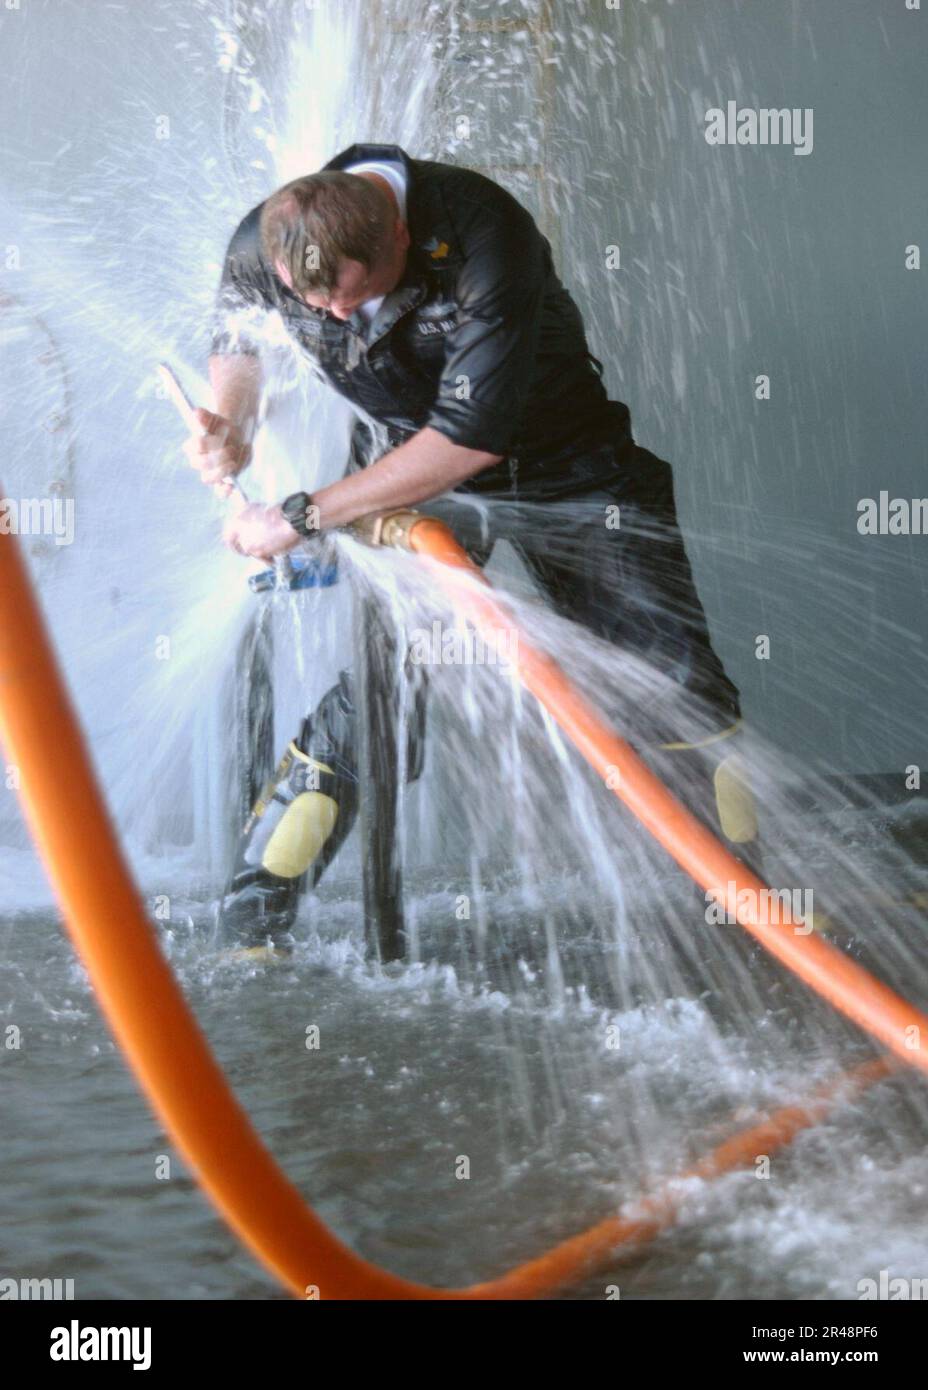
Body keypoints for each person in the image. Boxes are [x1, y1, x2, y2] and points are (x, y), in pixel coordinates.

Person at [189, 143, 759, 947]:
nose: (339, 323)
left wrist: (305, 513)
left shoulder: (488, 234)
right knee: (384, 691)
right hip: (401, 470)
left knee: (670, 677)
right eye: (316, 309)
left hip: (567, 465)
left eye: (354, 301)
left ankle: (748, 910)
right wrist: (233, 425)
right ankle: (253, 916)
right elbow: (239, 342)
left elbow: (467, 440)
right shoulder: (269, 238)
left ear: (398, 235)